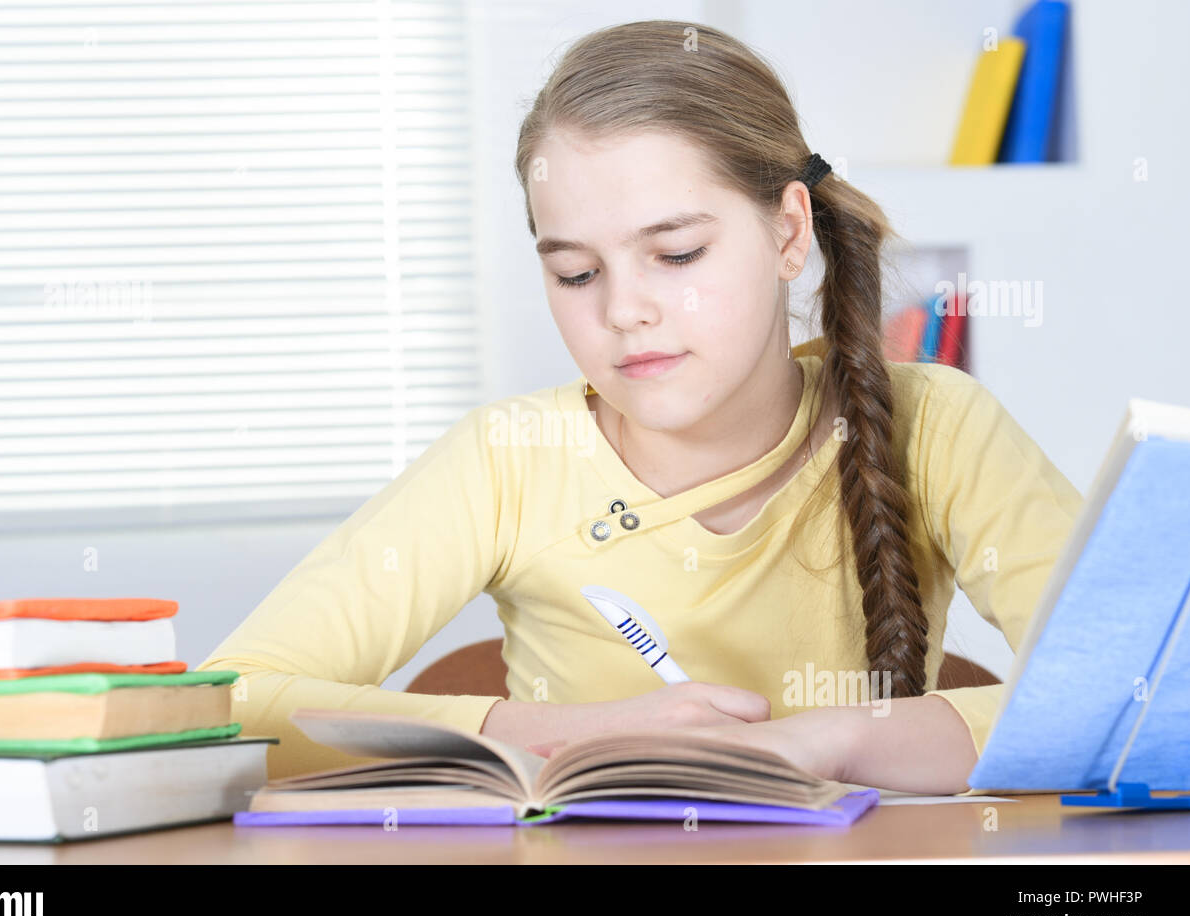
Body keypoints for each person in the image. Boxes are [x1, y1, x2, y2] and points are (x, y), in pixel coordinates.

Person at [197, 20, 1082, 795]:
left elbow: (1149, 696)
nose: (622, 310)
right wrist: (568, 735)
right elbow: (224, 703)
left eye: (678, 253)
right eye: (575, 272)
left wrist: (829, 741)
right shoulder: (509, 457)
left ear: (788, 231)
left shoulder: (939, 425)